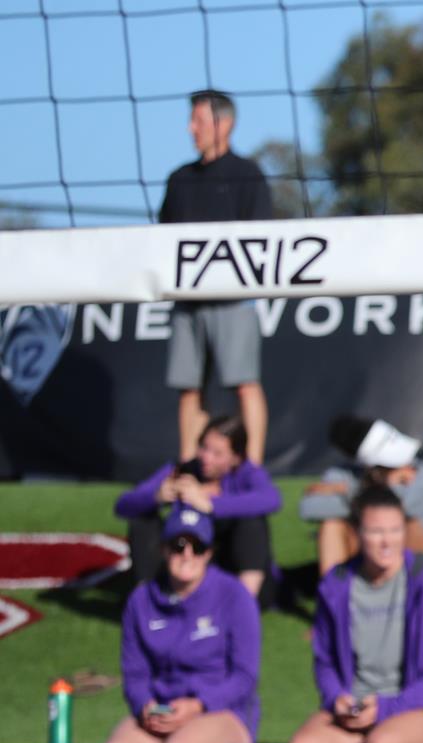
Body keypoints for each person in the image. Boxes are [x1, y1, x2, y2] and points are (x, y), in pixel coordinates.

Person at [290, 485, 423, 743]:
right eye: (376, 532)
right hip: (356, 708)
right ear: (357, 533)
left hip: (420, 707)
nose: (387, 541)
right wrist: (336, 700)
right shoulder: (336, 584)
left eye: (395, 530)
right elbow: (325, 661)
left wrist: (387, 707)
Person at [158, 90, 274, 464]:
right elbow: (163, 238)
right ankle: (189, 463)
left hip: (233, 298)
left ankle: (252, 465)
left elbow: (261, 236)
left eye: (200, 121)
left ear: (225, 124)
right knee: (188, 389)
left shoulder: (247, 174)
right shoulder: (179, 179)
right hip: (188, 299)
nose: (192, 129)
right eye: (192, 121)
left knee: (244, 383)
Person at [107, 507, 260, 743]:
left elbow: (244, 677)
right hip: (163, 709)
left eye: (197, 547)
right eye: (179, 545)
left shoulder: (234, 595)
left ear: (209, 553)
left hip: (222, 709)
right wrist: (144, 705)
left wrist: (199, 705)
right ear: (164, 549)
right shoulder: (141, 600)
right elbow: (135, 675)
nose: (187, 555)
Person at [114, 413, 278, 602]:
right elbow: (122, 505)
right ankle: (149, 602)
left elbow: (271, 499)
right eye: (203, 447)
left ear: (235, 458)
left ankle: (242, 603)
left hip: (229, 562)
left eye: (217, 453)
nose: (206, 457)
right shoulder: (183, 470)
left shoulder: (246, 473)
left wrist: (210, 504)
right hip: (186, 560)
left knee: (252, 522)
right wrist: (156, 497)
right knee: (144, 519)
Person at [301, 417, 423, 578]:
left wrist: (346, 492)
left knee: (404, 523)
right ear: (375, 471)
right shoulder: (343, 474)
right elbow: (309, 508)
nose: (408, 468)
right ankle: (335, 596)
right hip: (369, 554)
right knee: (332, 524)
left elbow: (393, 507)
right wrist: (363, 493)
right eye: (395, 465)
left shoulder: (420, 473)